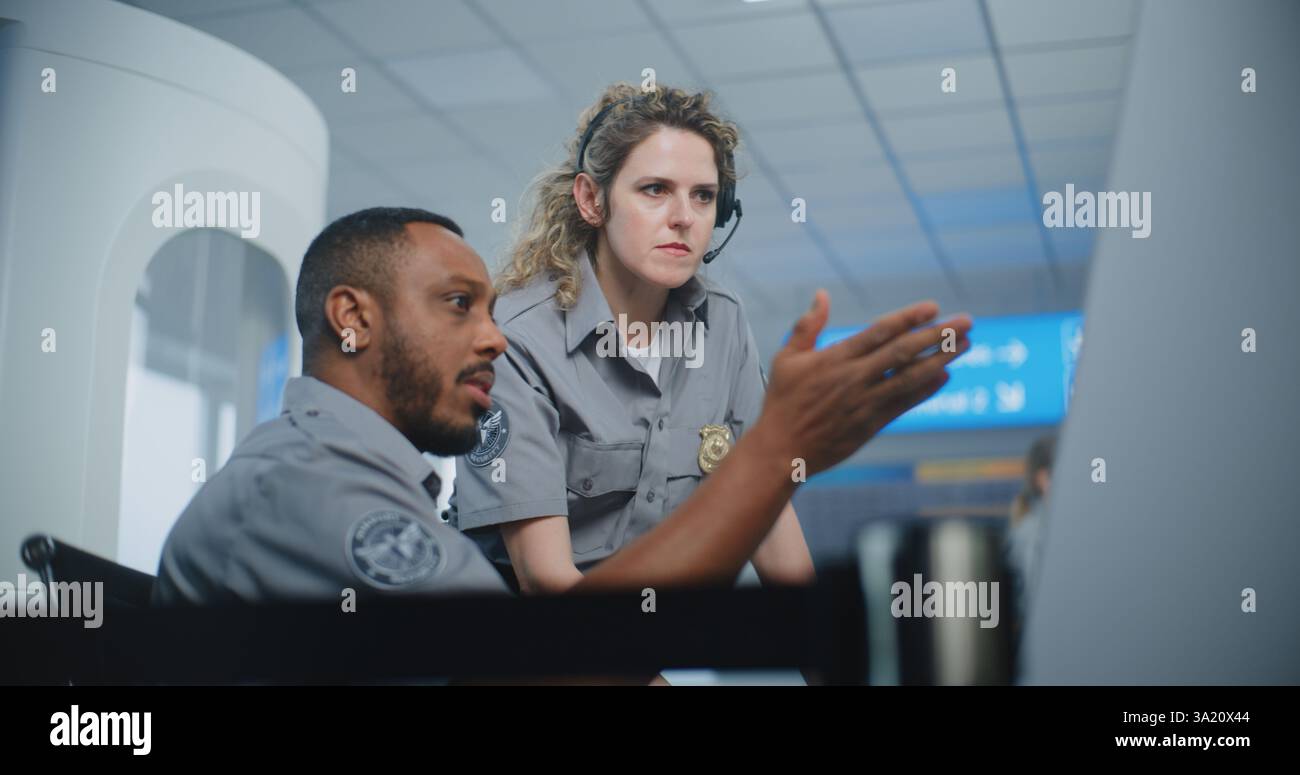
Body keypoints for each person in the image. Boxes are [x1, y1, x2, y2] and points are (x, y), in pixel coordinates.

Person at [153, 206, 971, 605]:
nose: (497, 339)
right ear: (354, 318)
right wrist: (771, 452)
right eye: (457, 305)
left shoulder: (369, 477)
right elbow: (548, 664)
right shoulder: (309, 485)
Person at [449, 83, 813, 594]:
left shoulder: (723, 324)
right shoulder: (517, 340)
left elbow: (765, 510)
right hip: (521, 653)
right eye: (655, 190)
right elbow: (546, 581)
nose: (684, 217)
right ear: (591, 201)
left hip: (634, 645)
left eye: (703, 196)